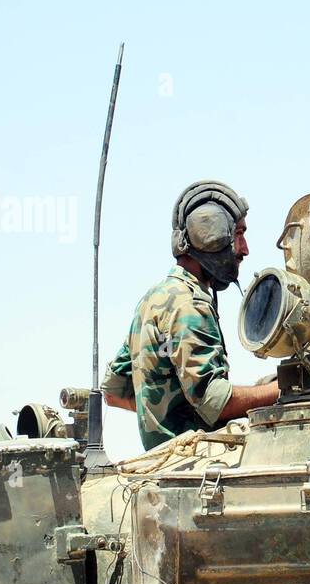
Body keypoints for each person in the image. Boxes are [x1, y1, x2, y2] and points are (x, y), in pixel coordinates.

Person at [101, 180, 278, 449]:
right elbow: (216, 403)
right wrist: (286, 389)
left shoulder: (155, 298)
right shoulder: (189, 304)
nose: (244, 249)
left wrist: (168, 418)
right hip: (196, 470)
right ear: (213, 235)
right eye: (239, 234)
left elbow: (114, 391)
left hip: (166, 465)